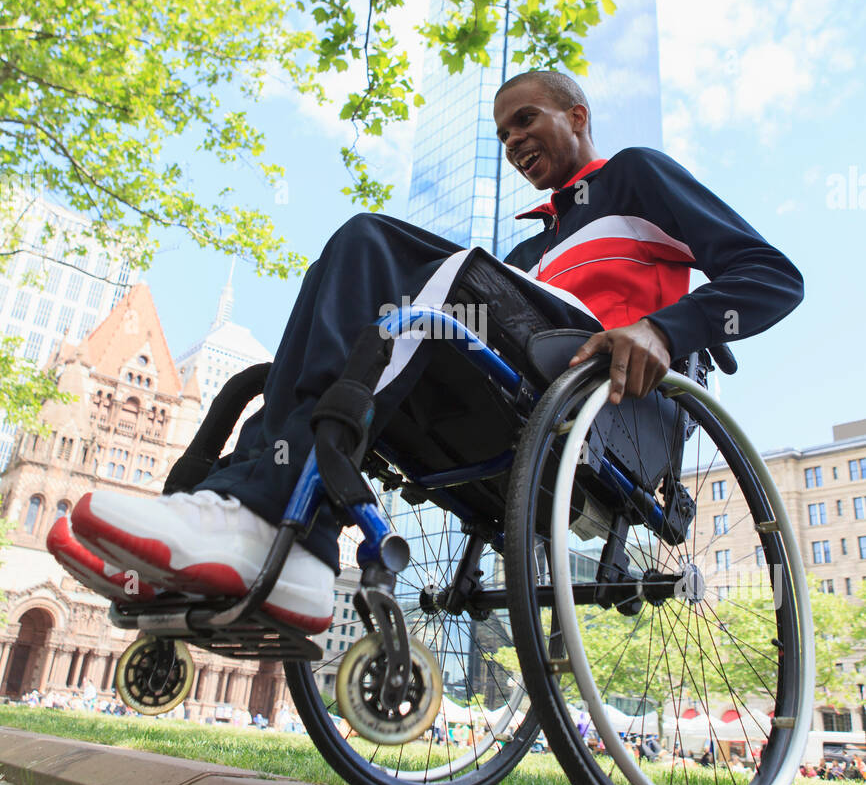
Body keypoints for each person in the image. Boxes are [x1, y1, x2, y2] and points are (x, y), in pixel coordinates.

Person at [49, 69, 804, 635]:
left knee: (370, 244)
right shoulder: (527, 248)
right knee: (346, 286)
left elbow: (773, 278)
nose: (513, 143)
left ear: (578, 115)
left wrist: (667, 331)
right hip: (517, 387)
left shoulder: (632, 178)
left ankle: (263, 518)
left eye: (527, 121)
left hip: (612, 407)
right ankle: (249, 518)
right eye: (503, 135)